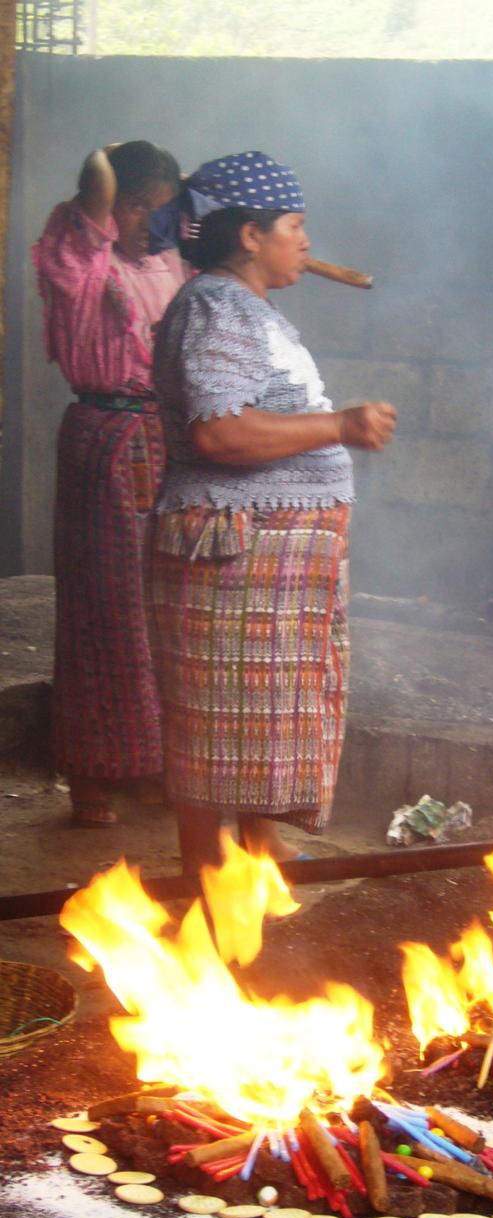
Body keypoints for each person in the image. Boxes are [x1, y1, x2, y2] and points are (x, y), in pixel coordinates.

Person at [150, 151, 397, 872]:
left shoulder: (248, 309)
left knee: (248, 722)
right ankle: (209, 885)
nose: (308, 241)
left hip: (259, 556)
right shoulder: (212, 307)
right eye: (295, 225)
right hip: (232, 549)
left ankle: (257, 848)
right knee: (212, 733)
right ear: (250, 235)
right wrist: (340, 428)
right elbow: (217, 432)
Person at [34, 141, 189, 826]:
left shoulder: (168, 259)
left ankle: (148, 763)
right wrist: (102, 161)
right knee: (105, 613)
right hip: (106, 443)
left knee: (159, 608)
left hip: (165, 441)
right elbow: (94, 177)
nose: (154, 223)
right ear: (117, 206)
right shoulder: (78, 253)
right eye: (144, 208)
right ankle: (90, 774)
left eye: (163, 210)